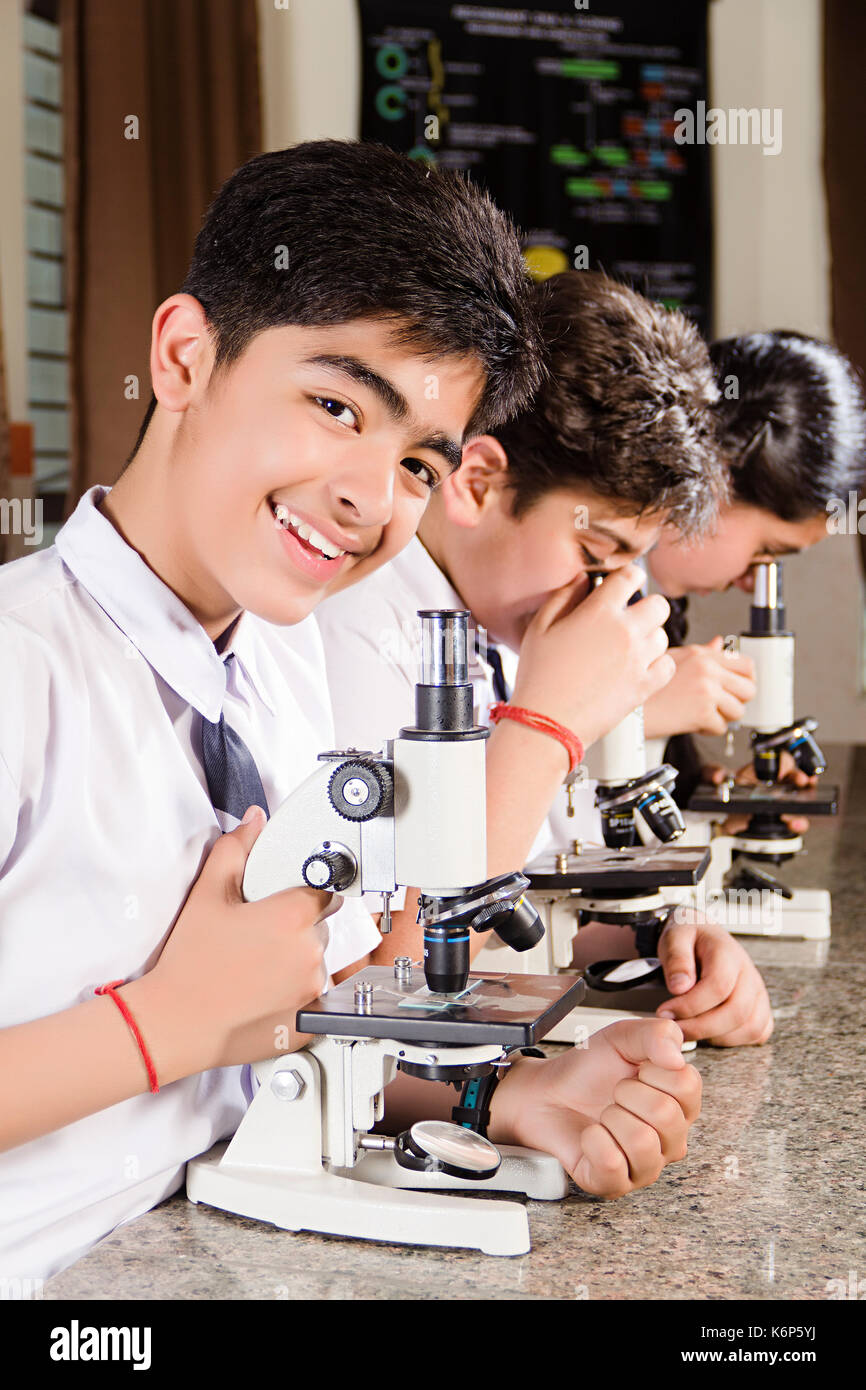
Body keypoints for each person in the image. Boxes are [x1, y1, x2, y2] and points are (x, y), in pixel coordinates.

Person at [0, 144, 700, 1285]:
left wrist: (496, 1090)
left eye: (419, 463)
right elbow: (193, 1029)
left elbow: (265, 1035)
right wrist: (154, 1025)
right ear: (183, 356)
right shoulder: (19, 670)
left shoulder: (278, 665)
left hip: (196, 1248)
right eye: (335, 404)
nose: (372, 501)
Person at [317, 271, 773, 1049]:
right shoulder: (352, 632)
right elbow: (385, 982)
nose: (612, 599)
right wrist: (544, 726)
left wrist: (648, 948)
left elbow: (509, 905)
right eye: (597, 555)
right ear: (479, 479)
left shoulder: (488, 622)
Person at [643, 330, 866, 829]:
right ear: (715, 476)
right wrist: (639, 710)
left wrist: (713, 817)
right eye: (766, 551)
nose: (751, 583)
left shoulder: (650, 596)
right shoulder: (556, 581)